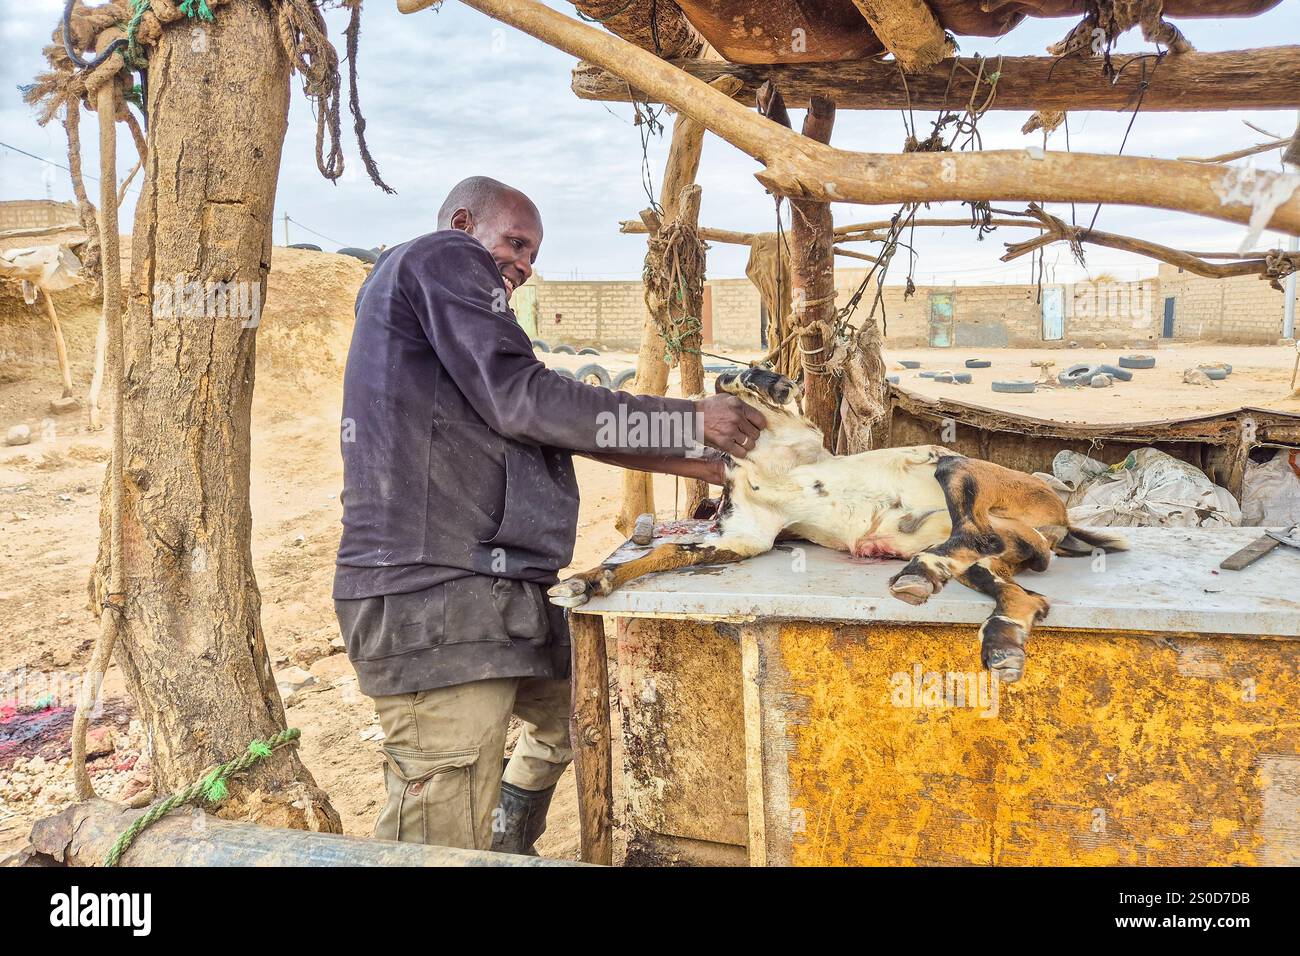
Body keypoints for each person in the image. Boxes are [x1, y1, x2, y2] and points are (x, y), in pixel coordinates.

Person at [334, 176, 766, 854]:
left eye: (533, 253)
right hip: (433, 598)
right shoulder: (440, 256)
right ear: (463, 220)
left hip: (503, 592)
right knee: (441, 829)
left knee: (577, 711)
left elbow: (551, 422)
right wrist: (695, 420)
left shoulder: (457, 337)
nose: (525, 265)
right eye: (515, 242)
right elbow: (526, 400)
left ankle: (510, 842)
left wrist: (707, 463)